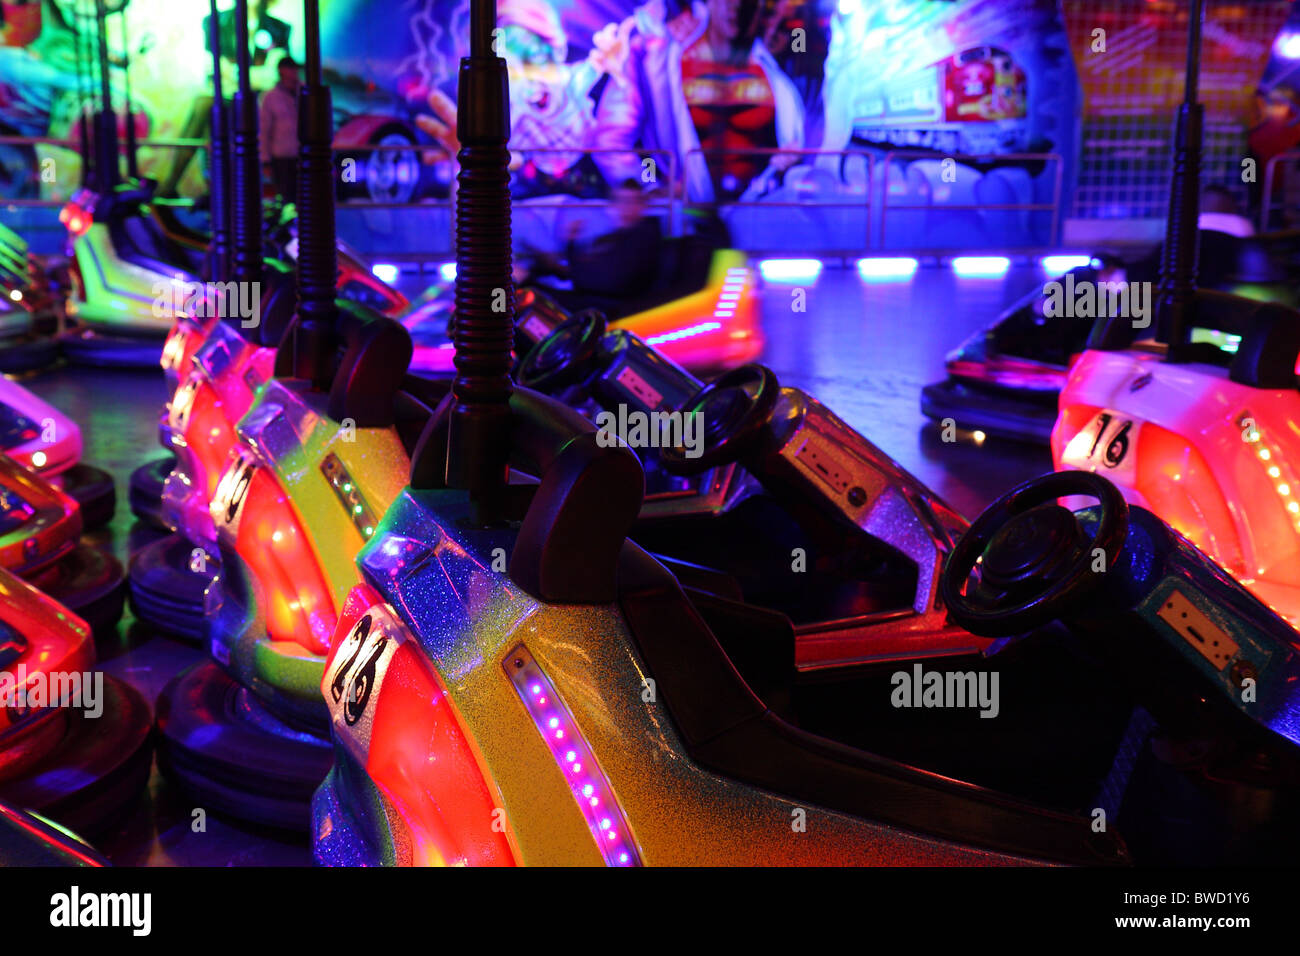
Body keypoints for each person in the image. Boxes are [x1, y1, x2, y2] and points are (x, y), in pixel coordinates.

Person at [259, 54, 301, 203]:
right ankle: (290, 224)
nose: (293, 72)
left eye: (294, 69)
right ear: (281, 71)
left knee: (303, 197)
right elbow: (264, 130)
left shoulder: (305, 92)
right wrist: (265, 160)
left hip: (302, 155)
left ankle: (296, 224)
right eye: (290, 69)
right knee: (286, 197)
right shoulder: (270, 97)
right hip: (281, 157)